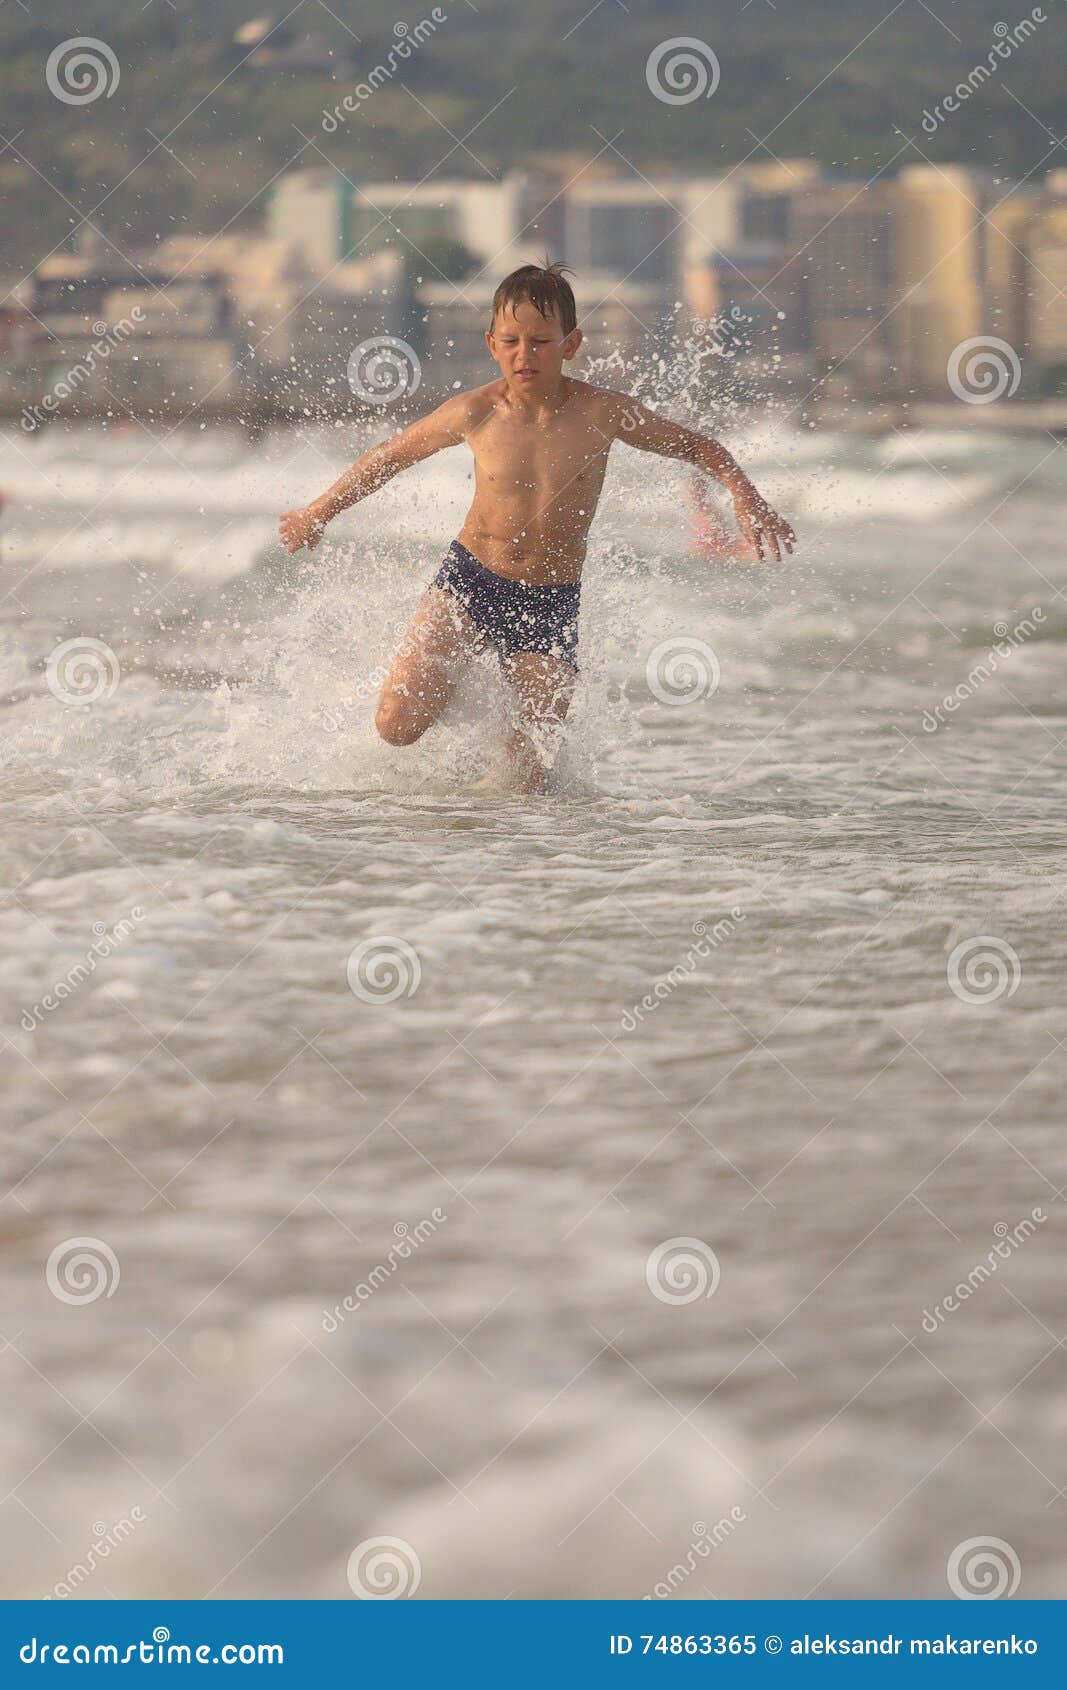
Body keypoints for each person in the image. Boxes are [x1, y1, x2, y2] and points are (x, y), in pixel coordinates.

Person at [279, 260, 796, 793]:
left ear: (571, 344)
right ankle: (468, 690)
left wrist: (746, 496)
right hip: (470, 582)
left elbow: (697, 446)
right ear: (491, 343)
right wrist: (317, 512)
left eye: (541, 342)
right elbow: (390, 456)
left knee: (528, 782)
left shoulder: (605, 413)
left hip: (550, 602)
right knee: (395, 727)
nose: (525, 355)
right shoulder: (474, 412)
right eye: (512, 341)